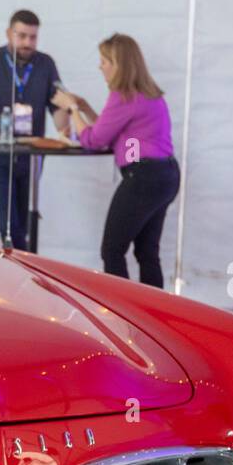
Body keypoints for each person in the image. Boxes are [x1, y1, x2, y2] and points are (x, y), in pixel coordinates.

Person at [55, 34, 178, 289]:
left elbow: (93, 139)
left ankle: (123, 315)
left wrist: (72, 109)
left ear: (118, 64)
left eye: (104, 61)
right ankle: (154, 315)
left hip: (143, 177)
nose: (100, 67)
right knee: (147, 252)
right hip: (165, 175)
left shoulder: (123, 96)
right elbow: (114, 133)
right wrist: (87, 108)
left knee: (112, 251)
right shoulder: (148, 94)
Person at [0, 9, 68, 251]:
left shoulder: (45, 63)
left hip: (31, 157)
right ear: (9, 33)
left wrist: (65, 128)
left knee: (27, 220)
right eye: (21, 36)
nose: (27, 43)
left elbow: (59, 103)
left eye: (32, 37)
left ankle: (27, 270)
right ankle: (21, 271)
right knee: (9, 225)